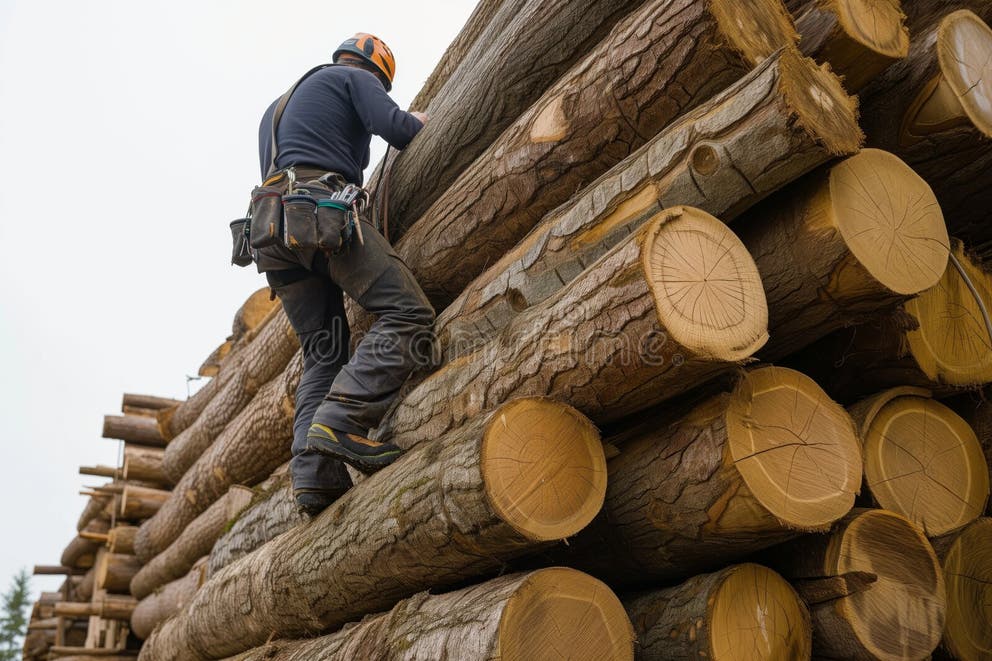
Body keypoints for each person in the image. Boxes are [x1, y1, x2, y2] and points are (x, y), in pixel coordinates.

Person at [253, 33, 435, 517]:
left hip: (270, 234)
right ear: (379, 72)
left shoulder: (277, 108)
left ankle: (314, 480)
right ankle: (342, 421)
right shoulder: (356, 78)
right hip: (318, 213)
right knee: (409, 314)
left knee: (323, 353)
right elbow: (395, 129)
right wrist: (415, 120)